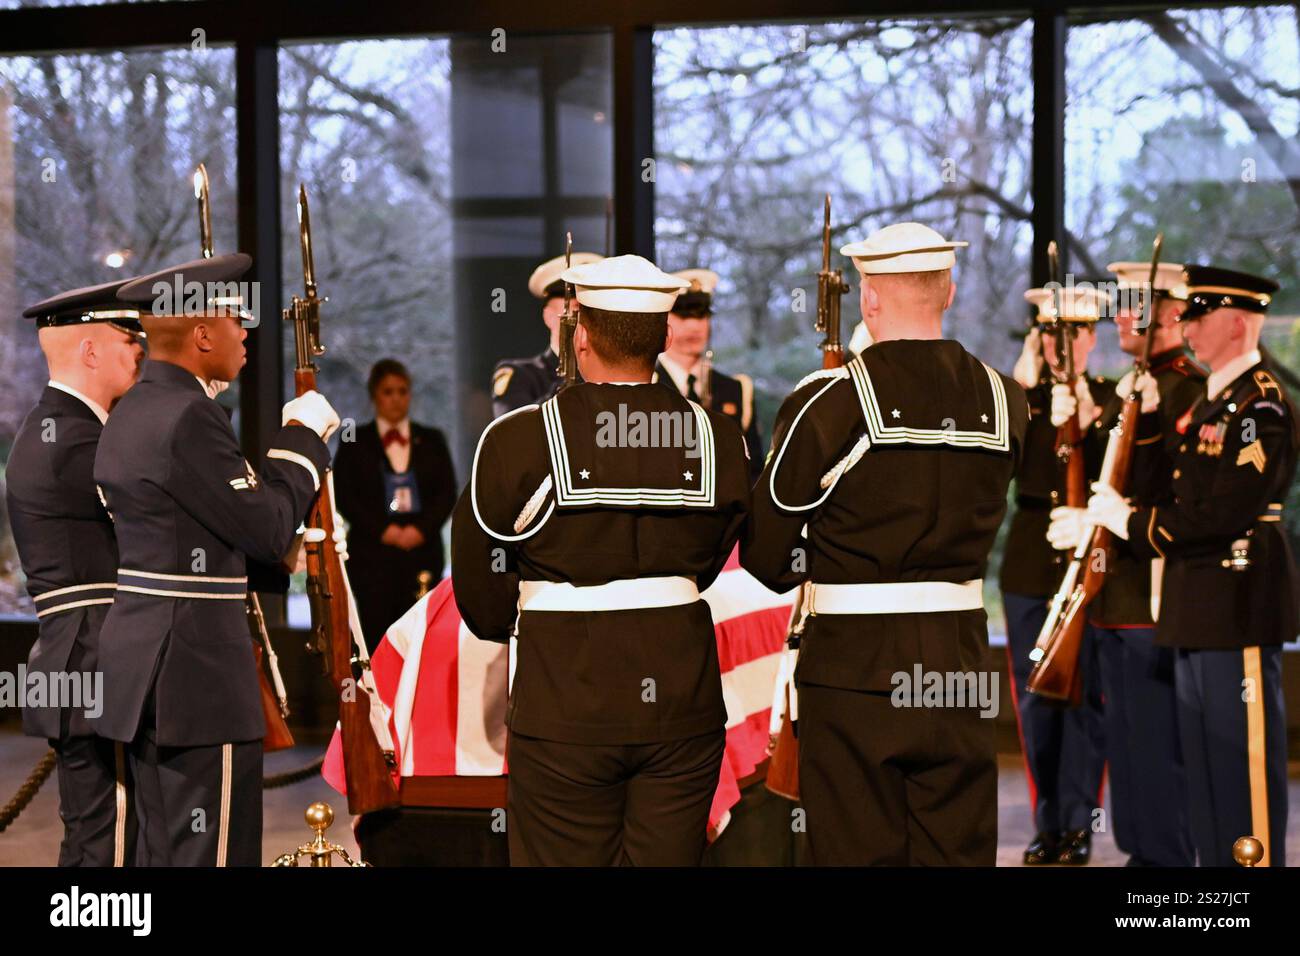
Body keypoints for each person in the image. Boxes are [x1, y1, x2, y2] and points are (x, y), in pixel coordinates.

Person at [742, 222, 1029, 865]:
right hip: (958, 660)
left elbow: (765, 555)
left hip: (854, 667)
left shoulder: (828, 401)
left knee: (855, 851)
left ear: (868, 299)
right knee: (956, 850)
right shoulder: (1006, 398)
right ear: (948, 291)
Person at [451, 254, 751, 866]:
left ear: (579, 332)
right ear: (665, 336)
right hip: (680, 697)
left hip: (564, 698)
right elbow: (720, 549)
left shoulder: (516, 438)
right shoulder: (716, 437)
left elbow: (482, 587)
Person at [92, 252, 337, 866]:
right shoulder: (190, 417)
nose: (246, 330)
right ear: (201, 334)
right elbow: (265, 525)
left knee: (163, 855)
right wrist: (304, 440)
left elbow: (195, 538)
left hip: (147, 671)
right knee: (216, 853)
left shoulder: (131, 413)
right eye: (234, 319)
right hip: (197, 677)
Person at [1085, 265, 1296, 867]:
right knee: (1204, 775)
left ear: (1236, 322)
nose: (1186, 325)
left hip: (1237, 601)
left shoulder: (1260, 405)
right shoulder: (1214, 401)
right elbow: (1175, 485)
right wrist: (1146, 423)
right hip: (1194, 604)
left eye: (1198, 317)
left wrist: (1134, 524)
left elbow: (1224, 512)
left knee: (1241, 771)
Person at [1047, 261, 1202, 867]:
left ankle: (1165, 869)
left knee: (1156, 748)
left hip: (1151, 601)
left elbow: (1179, 503)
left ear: (1170, 313)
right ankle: (1143, 856)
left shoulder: (1186, 388)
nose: (1122, 315)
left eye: (1136, 303)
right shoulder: (1130, 386)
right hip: (1114, 598)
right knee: (1127, 745)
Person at [6, 279, 145, 866]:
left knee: (95, 837)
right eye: (128, 340)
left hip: (77, 656)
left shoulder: (54, 430)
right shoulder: (81, 439)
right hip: (96, 656)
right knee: (107, 847)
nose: (140, 352)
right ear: (91, 350)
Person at [1000, 287, 1110, 865]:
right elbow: (1005, 469)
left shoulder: (1114, 400)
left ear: (1092, 338)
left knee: (1086, 694)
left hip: (1090, 556)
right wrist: (1024, 402)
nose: (1059, 345)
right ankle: (1047, 822)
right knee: (1036, 696)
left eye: (1071, 334)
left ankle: (1080, 823)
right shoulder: (1021, 400)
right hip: (1030, 556)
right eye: (1049, 334)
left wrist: (1090, 419)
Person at [334, 359, 457, 649]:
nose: (396, 399)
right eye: (388, 391)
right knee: (374, 639)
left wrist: (420, 530)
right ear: (374, 395)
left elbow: (447, 493)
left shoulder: (432, 439)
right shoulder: (354, 442)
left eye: (402, 391)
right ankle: (374, 695)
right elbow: (344, 495)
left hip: (421, 553)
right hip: (371, 558)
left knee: (421, 641)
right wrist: (384, 531)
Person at [654, 268, 763, 479]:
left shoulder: (736, 389)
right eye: (683, 315)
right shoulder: (649, 384)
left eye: (702, 315)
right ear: (664, 318)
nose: (695, 325)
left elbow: (753, 470)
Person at [491, 251, 602, 418]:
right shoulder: (522, 375)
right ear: (549, 317)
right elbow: (512, 427)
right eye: (576, 310)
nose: (583, 319)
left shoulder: (611, 371)